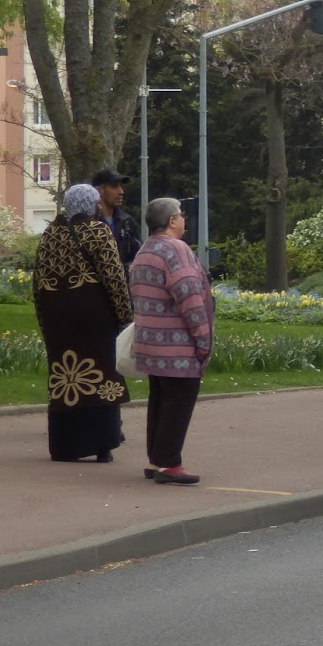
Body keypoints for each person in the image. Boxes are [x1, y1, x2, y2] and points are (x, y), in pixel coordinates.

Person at [34, 182, 133, 463]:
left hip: (58, 317)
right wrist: (125, 316)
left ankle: (65, 446)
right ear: (90, 205)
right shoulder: (98, 230)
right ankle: (102, 445)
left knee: (64, 375)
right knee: (100, 374)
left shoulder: (50, 234)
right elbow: (113, 276)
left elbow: (38, 281)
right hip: (94, 316)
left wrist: (43, 319)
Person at [129, 196, 215, 484]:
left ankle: (156, 459)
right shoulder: (176, 250)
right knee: (178, 402)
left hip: (151, 344)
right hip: (177, 346)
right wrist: (203, 340)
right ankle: (169, 463)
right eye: (180, 214)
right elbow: (190, 296)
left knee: (160, 401)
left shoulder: (145, 251)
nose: (184, 219)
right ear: (171, 221)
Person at [90, 167, 142, 265]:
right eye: (114, 186)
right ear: (99, 190)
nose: (121, 191)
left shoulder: (127, 222)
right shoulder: (89, 223)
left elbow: (138, 256)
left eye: (121, 186)